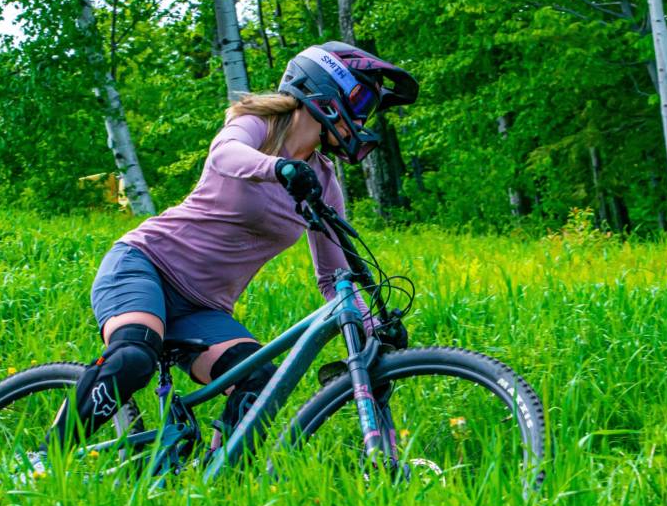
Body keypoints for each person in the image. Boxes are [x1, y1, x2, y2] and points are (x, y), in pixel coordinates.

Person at [46, 41, 419, 451]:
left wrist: (374, 326)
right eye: (360, 101)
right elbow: (226, 154)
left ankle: (213, 484)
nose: (363, 118)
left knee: (260, 382)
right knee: (134, 357)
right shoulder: (257, 126)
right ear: (325, 88)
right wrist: (277, 167)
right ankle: (45, 460)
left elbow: (334, 278)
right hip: (144, 265)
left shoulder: (323, 182)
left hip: (203, 309)